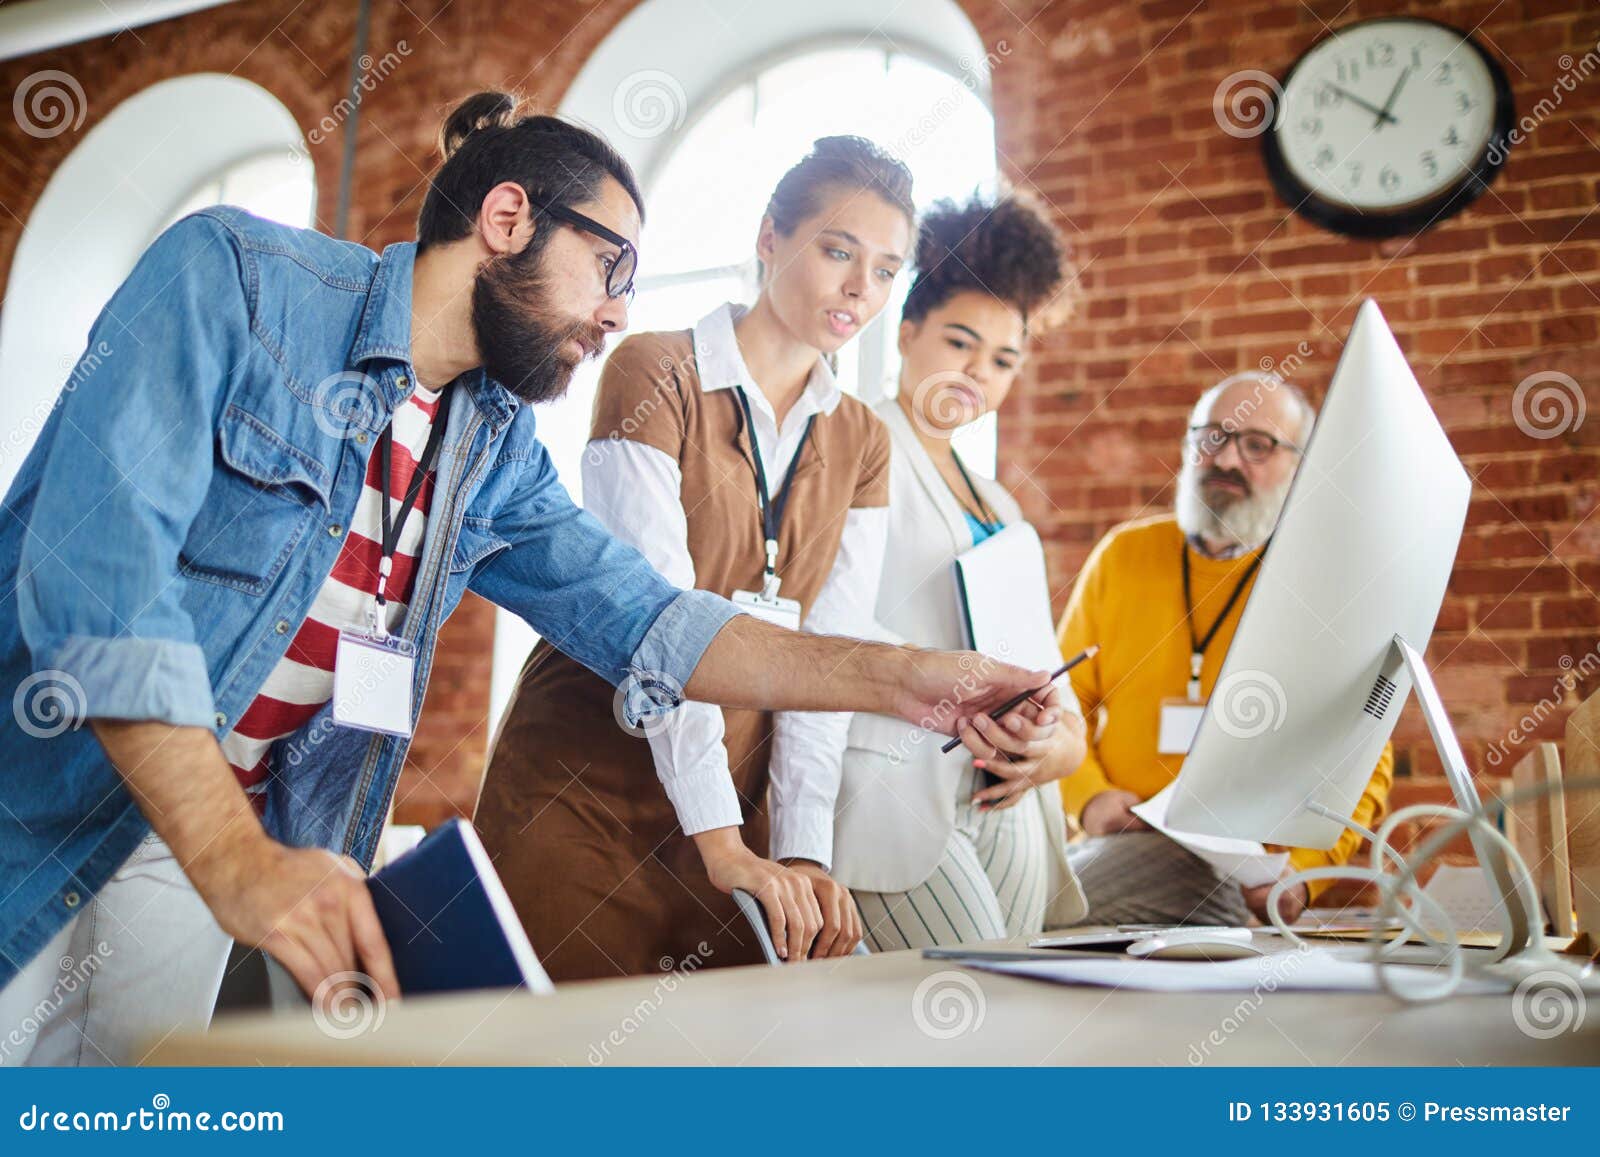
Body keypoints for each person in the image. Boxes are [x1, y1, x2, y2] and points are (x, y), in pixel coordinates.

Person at [0, 93, 1048, 1066]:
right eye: (610, 266)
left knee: (106, 1113)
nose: (616, 314)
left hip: (194, 844)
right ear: (507, 218)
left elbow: (653, 622)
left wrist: (905, 679)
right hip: (46, 787)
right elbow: (96, 583)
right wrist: (239, 859)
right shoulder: (235, 276)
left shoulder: (490, 444)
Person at [475, 138, 916, 979]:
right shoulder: (653, 370)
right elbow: (657, 636)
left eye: (888, 269)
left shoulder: (864, 441)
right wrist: (722, 839)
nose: (863, 287)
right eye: (838, 251)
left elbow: (824, 670)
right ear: (769, 238)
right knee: (557, 1050)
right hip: (585, 790)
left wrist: (801, 851)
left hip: (732, 825)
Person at [832, 192, 1090, 948]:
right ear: (907, 332)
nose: (980, 371)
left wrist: (1054, 748)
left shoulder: (1002, 507)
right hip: (891, 785)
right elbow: (819, 619)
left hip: (1006, 797)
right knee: (963, 985)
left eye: (1004, 360)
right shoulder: (852, 444)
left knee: (1016, 1005)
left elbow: (1049, 674)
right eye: (960, 342)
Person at [1054, 371, 1395, 926]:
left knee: (1043, 908)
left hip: (1247, 872)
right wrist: (1089, 799)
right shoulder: (1121, 556)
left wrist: (1305, 872)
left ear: (1300, 467)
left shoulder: (1322, 582)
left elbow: (1364, 750)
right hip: (1122, 841)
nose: (1228, 460)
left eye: (1258, 445)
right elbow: (1061, 700)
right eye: (1212, 437)